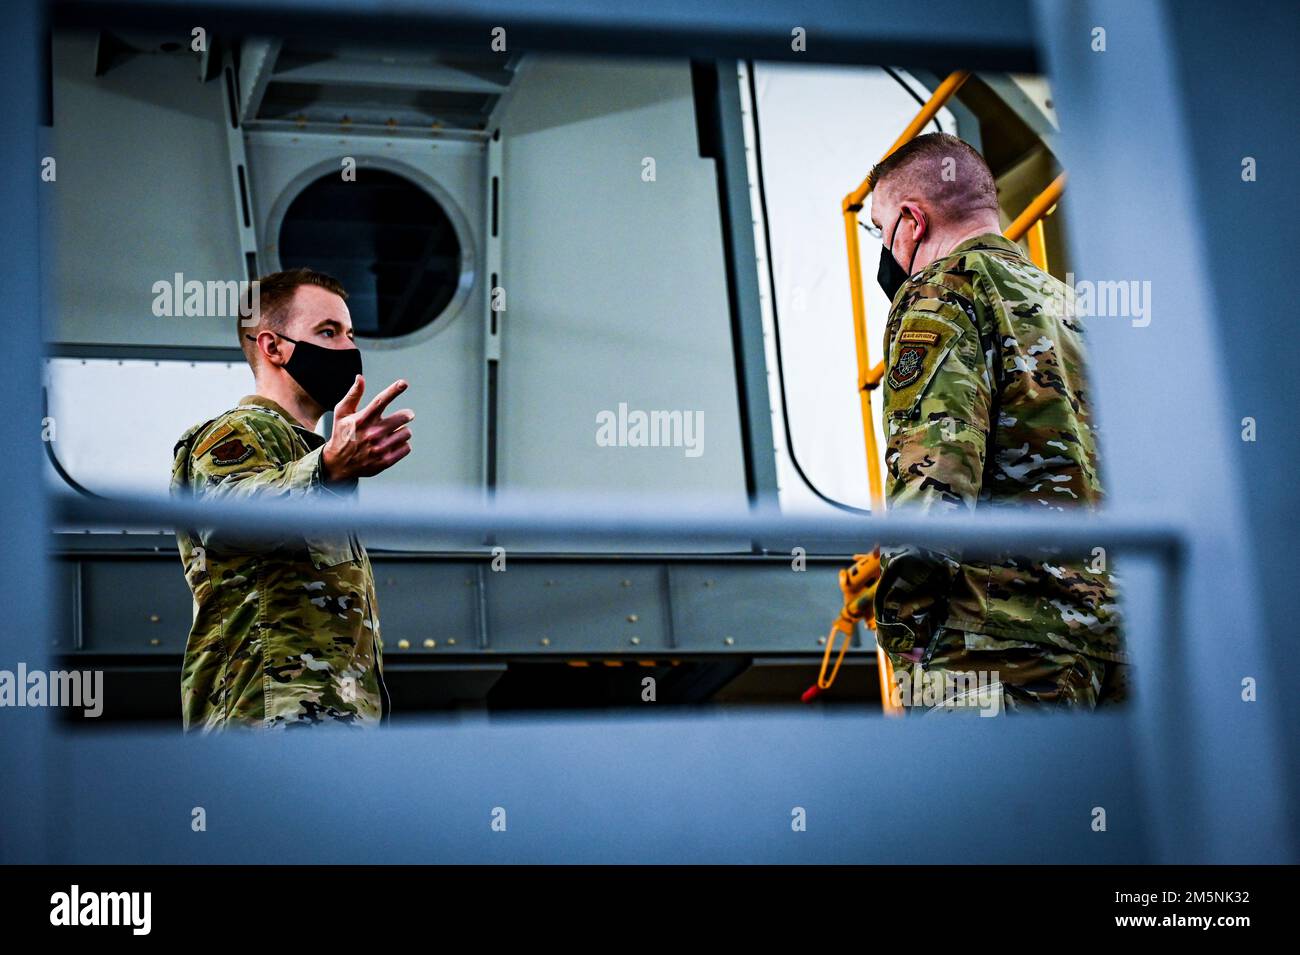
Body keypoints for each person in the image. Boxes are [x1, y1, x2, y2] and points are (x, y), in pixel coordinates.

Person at [866, 133, 1127, 713]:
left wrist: (904, 633)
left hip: (999, 649)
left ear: (912, 221)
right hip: (1116, 646)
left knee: (987, 806)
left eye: (881, 230)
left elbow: (934, 476)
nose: (883, 249)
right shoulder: (1071, 308)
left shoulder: (942, 292)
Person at [170, 268, 414, 730]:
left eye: (349, 334)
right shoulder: (234, 432)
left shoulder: (314, 456)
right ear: (273, 346)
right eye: (328, 332)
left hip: (331, 724)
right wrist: (327, 470)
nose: (348, 349)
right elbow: (225, 519)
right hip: (265, 722)